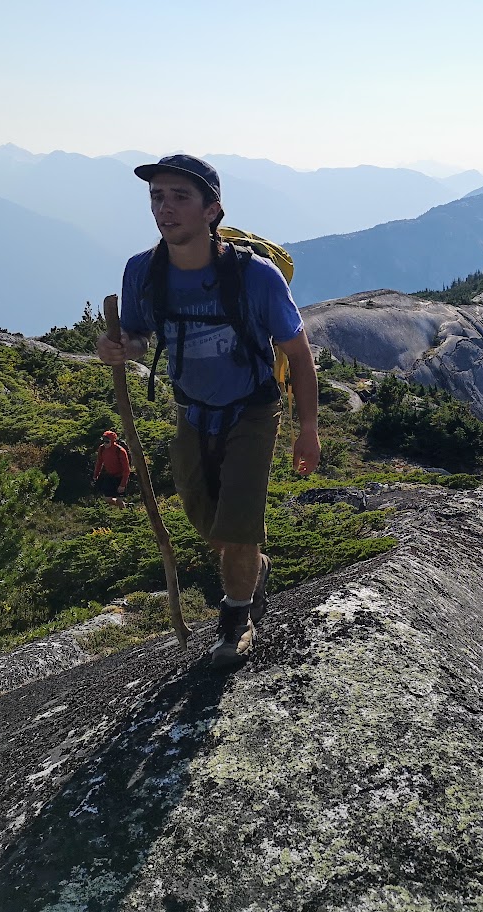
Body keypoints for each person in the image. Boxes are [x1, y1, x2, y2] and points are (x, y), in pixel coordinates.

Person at [96, 154, 320, 669]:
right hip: (191, 413)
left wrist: (307, 431)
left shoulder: (256, 277)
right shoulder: (143, 271)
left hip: (252, 413)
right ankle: (252, 568)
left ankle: (235, 621)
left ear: (211, 210)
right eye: (157, 196)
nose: (164, 208)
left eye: (179, 197)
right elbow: (135, 336)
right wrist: (117, 348)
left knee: (238, 527)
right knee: (213, 527)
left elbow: (299, 355)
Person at [93, 430, 131, 507]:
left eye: (107, 442)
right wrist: (96, 475)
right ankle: (125, 506)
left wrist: (122, 485)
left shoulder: (120, 451)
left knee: (119, 501)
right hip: (110, 476)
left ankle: (125, 513)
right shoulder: (102, 449)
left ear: (113, 441)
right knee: (107, 499)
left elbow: (126, 470)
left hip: (120, 477)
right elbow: (99, 462)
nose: (105, 444)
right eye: (103, 441)